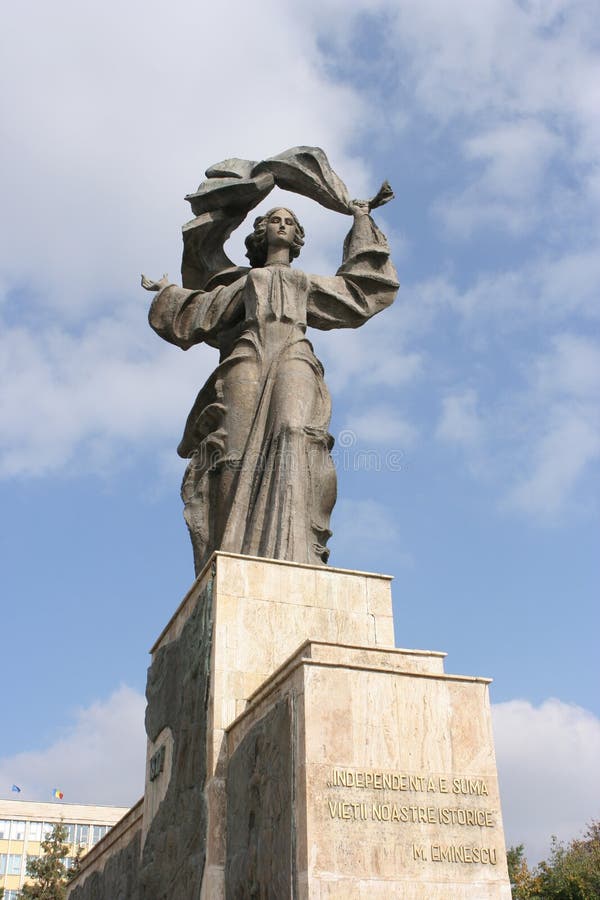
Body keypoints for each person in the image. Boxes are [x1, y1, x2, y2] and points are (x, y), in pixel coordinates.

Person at [142, 199, 398, 575]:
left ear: (297, 236)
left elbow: (360, 292)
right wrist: (168, 293)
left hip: (294, 352)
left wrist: (361, 219)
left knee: (296, 432)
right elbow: (203, 311)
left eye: (289, 221)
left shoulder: (303, 281)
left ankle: (298, 548)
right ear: (262, 233)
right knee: (233, 452)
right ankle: (229, 549)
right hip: (248, 354)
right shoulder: (249, 280)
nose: (281, 224)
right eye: (275, 220)